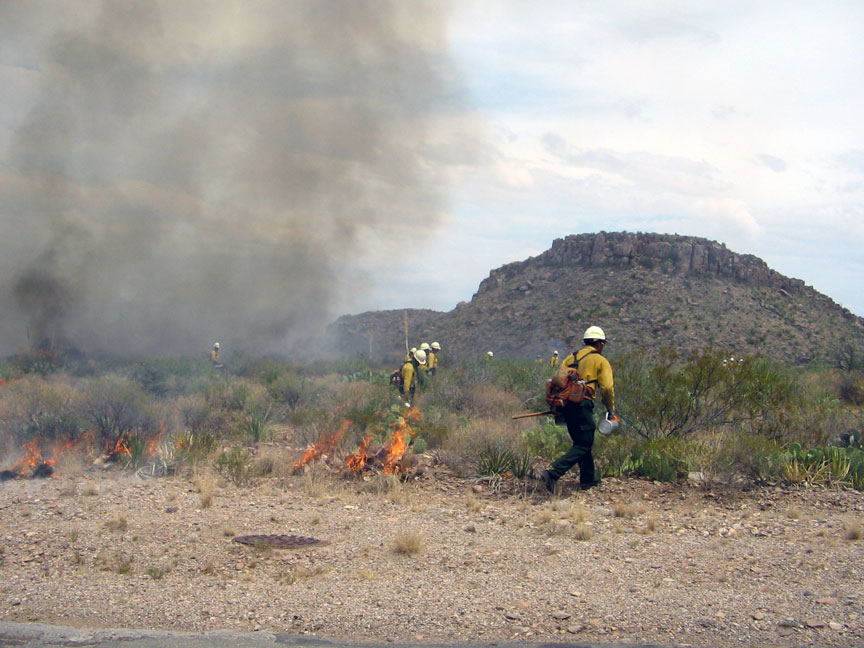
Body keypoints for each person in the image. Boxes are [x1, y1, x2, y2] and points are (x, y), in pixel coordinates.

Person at [540, 326, 615, 493]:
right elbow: (608, 388)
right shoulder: (600, 360)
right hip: (583, 404)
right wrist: (610, 407)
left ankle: (588, 479)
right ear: (599, 343)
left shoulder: (570, 358)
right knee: (585, 442)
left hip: (567, 406)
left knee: (581, 441)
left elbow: (558, 380)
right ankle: (552, 472)